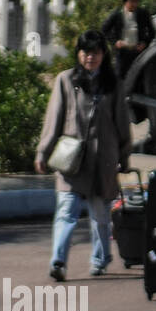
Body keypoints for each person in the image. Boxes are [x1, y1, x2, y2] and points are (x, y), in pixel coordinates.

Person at [35, 30, 131, 280]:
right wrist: (43, 152)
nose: (90, 57)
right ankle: (58, 261)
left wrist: (125, 156)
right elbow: (53, 119)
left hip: (104, 161)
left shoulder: (114, 84)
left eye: (96, 53)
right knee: (66, 212)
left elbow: (123, 123)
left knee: (100, 216)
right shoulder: (65, 80)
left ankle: (99, 259)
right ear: (78, 54)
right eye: (86, 52)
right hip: (72, 161)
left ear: (103, 55)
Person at [101, 0, 156, 79]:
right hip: (122, 53)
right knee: (121, 77)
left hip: (138, 52)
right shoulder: (117, 14)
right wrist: (115, 42)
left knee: (139, 78)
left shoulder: (143, 13)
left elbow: (152, 32)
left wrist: (145, 43)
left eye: (136, 1)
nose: (134, 4)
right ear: (125, 1)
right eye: (132, 1)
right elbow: (104, 29)